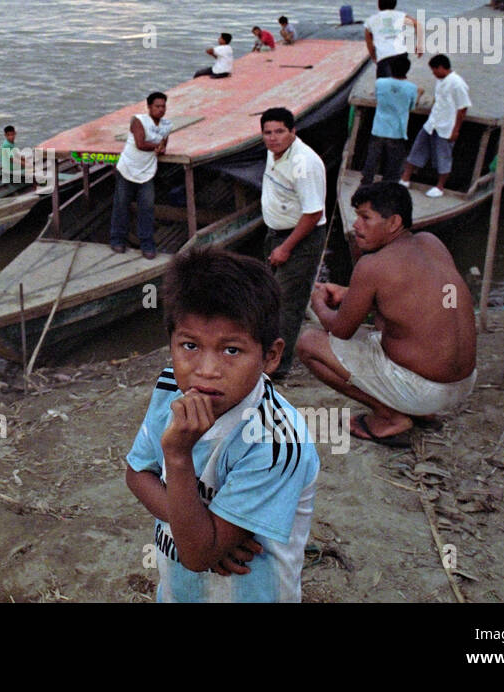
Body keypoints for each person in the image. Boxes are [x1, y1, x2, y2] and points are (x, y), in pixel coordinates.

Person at [124, 246, 319, 602]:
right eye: (189, 345)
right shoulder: (171, 388)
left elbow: (198, 556)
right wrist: (196, 533)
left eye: (231, 350)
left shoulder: (276, 441)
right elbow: (137, 473)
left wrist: (179, 458)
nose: (207, 370)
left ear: (270, 356)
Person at [297, 181, 477, 446]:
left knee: (309, 343)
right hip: (463, 383)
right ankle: (418, 409)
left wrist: (318, 302)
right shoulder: (431, 242)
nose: (356, 225)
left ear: (393, 223)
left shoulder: (373, 265)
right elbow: (434, 295)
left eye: (365, 218)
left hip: (423, 390)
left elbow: (338, 331)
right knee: (390, 322)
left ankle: (390, 416)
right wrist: (350, 293)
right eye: (357, 216)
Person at [259, 107, 327, 377]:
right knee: (270, 297)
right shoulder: (273, 153)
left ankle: (278, 368)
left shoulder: (303, 163)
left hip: (300, 237)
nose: (273, 138)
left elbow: (313, 212)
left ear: (293, 132)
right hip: (275, 233)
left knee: (288, 304)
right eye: (267, 132)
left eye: (279, 132)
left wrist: (286, 248)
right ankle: (267, 354)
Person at [109, 91, 172, 259]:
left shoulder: (167, 125)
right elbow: (140, 143)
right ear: (149, 107)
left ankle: (147, 245)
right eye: (157, 106)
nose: (161, 109)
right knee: (121, 204)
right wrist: (157, 146)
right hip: (127, 169)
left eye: (163, 106)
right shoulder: (138, 121)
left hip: (147, 172)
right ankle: (117, 240)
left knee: (147, 208)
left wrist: (161, 148)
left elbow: (163, 145)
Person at [400, 54, 471, 198]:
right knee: (417, 148)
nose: (433, 74)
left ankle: (440, 187)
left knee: (443, 157)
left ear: (441, 68)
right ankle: (405, 178)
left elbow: (463, 108)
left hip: (446, 126)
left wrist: (456, 130)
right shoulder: (440, 80)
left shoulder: (457, 84)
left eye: (434, 70)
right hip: (432, 123)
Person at [360, 56, 421, 185]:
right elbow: (411, 106)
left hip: (378, 129)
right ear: (407, 70)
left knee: (372, 160)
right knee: (393, 165)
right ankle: (387, 186)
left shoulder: (380, 83)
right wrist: (419, 94)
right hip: (397, 132)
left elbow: (377, 98)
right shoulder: (411, 88)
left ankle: (366, 183)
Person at [364, 0, 423, 79]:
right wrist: (419, 45)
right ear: (394, 5)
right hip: (401, 54)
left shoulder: (370, 20)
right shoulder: (401, 15)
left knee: (384, 84)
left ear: (379, 6)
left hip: (384, 56)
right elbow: (418, 25)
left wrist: (374, 57)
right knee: (400, 80)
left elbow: (369, 42)